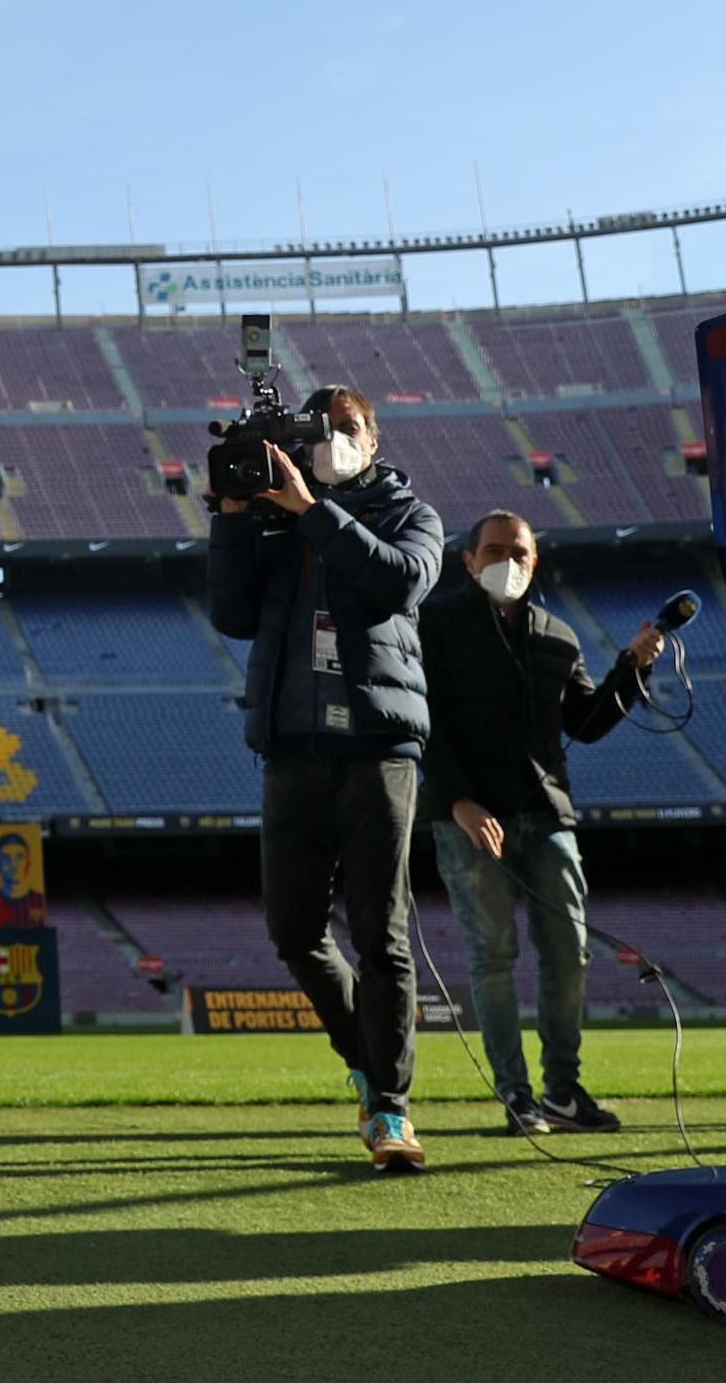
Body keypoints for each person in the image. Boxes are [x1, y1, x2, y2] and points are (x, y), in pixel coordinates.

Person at [206, 384, 443, 1173]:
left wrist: (313, 509)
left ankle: (391, 1106)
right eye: (325, 431)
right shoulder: (280, 523)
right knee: (293, 929)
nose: (338, 441)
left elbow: (398, 584)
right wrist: (234, 519)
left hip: (379, 745)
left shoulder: (412, 513)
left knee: (380, 931)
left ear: (374, 441)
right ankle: (369, 1065)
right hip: (293, 745)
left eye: (350, 431)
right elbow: (234, 615)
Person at [418, 511, 664, 1137]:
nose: (510, 562)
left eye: (521, 553)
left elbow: (584, 723)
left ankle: (562, 1091)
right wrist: (458, 803)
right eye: (495, 550)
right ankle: (516, 1096)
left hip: (547, 812)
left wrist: (632, 667)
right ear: (467, 561)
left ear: (536, 562)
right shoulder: (435, 625)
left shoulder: (558, 634)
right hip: (470, 817)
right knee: (493, 956)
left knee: (568, 954)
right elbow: (425, 724)